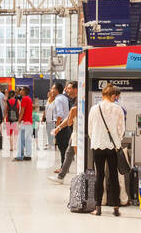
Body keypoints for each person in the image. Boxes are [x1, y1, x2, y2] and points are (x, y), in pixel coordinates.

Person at [89, 83, 127, 216]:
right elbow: (121, 129)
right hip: (113, 147)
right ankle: (116, 208)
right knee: (114, 175)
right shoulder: (118, 109)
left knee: (99, 175)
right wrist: (117, 139)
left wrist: (96, 138)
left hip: (97, 145)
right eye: (116, 97)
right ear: (112, 96)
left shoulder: (94, 109)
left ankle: (98, 208)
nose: (116, 99)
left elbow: (90, 129)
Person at [49, 82, 80, 183]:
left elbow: (68, 115)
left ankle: (82, 179)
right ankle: (60, 177)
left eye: (70, 88)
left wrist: (58, 127)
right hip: (74, 131)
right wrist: (58, 127)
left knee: (77, 156)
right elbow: (69, 117)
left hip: (79, 133)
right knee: (69, 153)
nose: (67, 90)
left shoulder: (80, 99)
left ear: (76, 89)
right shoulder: (73, 100)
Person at [48, 82, 71, 167]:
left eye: (53, 88)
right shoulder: (64, 98)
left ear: (57, 90)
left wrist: (57, 127)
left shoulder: (57, 99)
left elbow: (60, 114)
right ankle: (64, 166)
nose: (51, 90)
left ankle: (63, 167)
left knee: (62, 147)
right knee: (64, 147)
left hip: (61, 125)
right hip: (65, 125)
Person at [13, 86, 34, 161]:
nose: (20, 91)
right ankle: (27, 155)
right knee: (26, 139)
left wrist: (18, 121)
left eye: (21, 90)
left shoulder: (24, 99)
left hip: (25, 122)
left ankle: (21, 155)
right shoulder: (29, 99)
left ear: (24, 91)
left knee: (21, 139)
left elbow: (22, 111)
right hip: (28, 122)